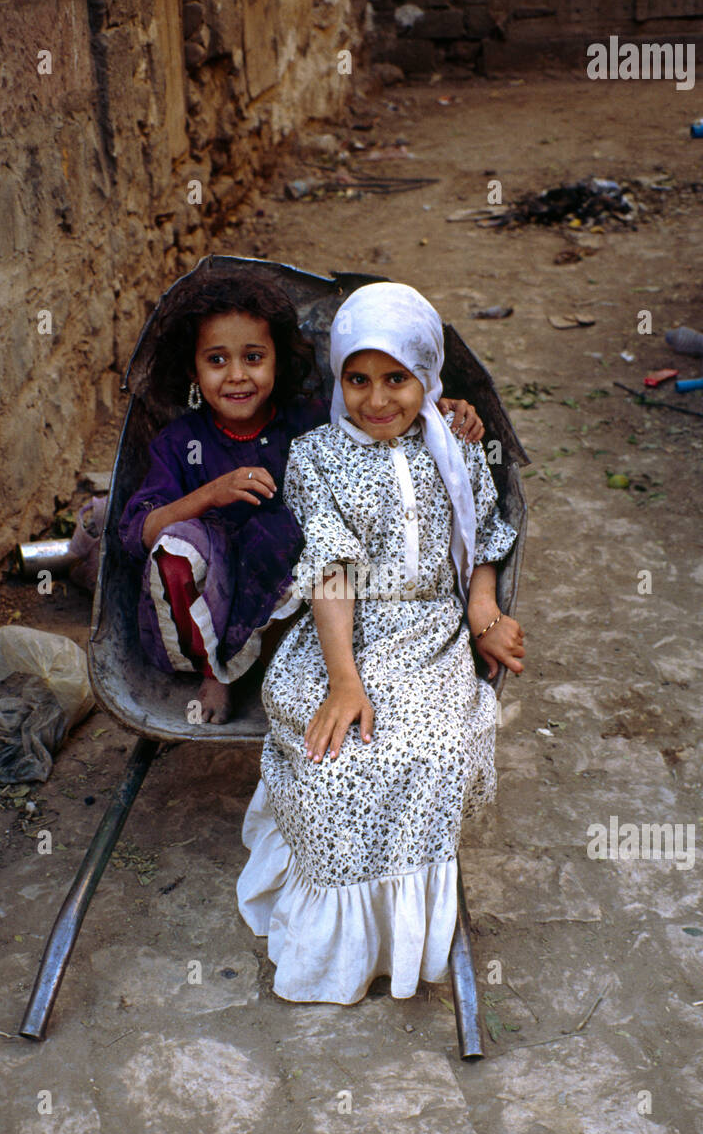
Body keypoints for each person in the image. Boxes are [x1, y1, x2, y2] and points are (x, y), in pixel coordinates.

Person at [237, 280, 525, 1004]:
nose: (376, 399)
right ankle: (339, 944)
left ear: (427, 376)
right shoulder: (317, 457)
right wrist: (343, 680)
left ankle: (403, 935)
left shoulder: (454, 445)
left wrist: (484, 614)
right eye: (358, 379)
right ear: (339, 378)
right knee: (334, 758)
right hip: (344, 636)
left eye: (397, 378)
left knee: (431, 750)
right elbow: (330, 571)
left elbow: (481, 536)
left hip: (430, 631)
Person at [118, 268, 485, 724]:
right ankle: (218, 670)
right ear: (192, 368)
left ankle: (288, 659)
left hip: (292, 595)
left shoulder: (308, 423)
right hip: (213, 592)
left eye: (253, 357)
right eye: (216, 361)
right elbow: (138, 531)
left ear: (279, 360)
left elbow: (379, 423)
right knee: (177, 546)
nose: (236, 376)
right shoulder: (180, 442)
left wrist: (434, 409)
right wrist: (211, 494)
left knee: (298, 536)